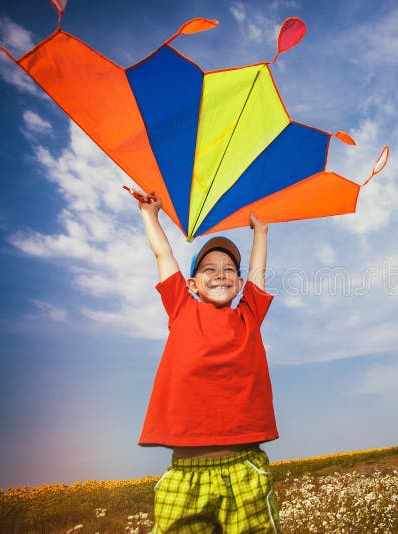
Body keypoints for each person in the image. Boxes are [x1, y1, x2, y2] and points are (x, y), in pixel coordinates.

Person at [128, 187, 279, 533]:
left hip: (244, 468)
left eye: (229, 269)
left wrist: (262, 232)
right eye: (209, 269)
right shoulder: (181, 308)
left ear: (240, 283)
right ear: (192, 284)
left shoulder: (249, 316)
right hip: (185, 475)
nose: (221, 273)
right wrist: (150, 215)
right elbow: (163, 254)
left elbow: (259, 270)